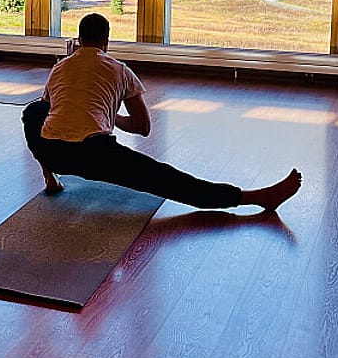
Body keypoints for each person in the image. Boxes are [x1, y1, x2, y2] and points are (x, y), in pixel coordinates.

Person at [23, 13, 301, 211]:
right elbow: (143, 127)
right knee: (169, 180)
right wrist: (113, 118)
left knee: (32, 111)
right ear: (107, 41)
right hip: (96, 156)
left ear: (80, 39)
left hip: (54, 154)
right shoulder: (120, 70)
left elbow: (46, 110)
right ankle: (254, 198)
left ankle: (50, 178)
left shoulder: (60, 67)